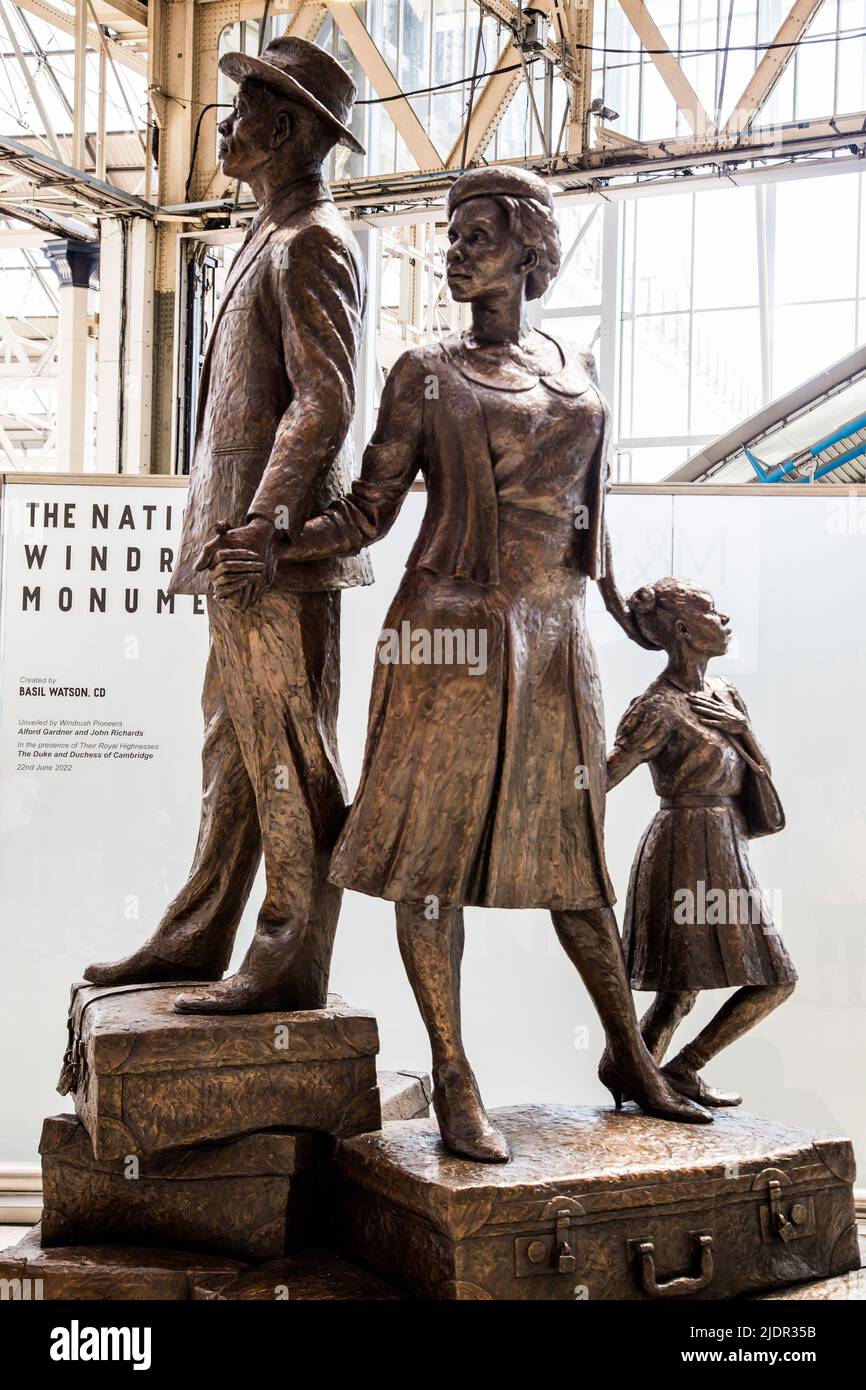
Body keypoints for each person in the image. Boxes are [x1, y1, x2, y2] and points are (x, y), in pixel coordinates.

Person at [215, 166, 711, 1159]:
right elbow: (369, 510)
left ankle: (630, 1056)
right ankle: (451, 1069)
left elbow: (591, 532)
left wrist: (637, 619)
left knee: (575, 869)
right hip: (443, 641)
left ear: (528, 250)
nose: (452, 248)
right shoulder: (422, 371)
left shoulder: (575, 371)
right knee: (428, 867)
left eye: (474, 232)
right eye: (447, 234)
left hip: (555, 643)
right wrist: (279, 538)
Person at [84, 37, 371, 1014]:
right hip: (240, 554)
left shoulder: (312, 241)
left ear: (285, 131)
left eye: (240, 110)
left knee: (288, 756)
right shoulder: (264, 237)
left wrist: (265, 520)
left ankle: (289, 952)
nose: (224, 126)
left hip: (273, 556)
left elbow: (323, 403)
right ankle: (200, 931)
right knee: (235, 752)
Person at [605, 577, 796, 1106]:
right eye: (714, 613)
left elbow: (758, 771)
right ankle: (659, 1069)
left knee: (694, 984)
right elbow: (604, 775)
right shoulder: (658, 706)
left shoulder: (725, 695)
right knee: (712, 979)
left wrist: (744, 729)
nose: (727, 620)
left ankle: (649, 1068)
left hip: (727, 840)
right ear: (686, 630)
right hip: (684, 843)